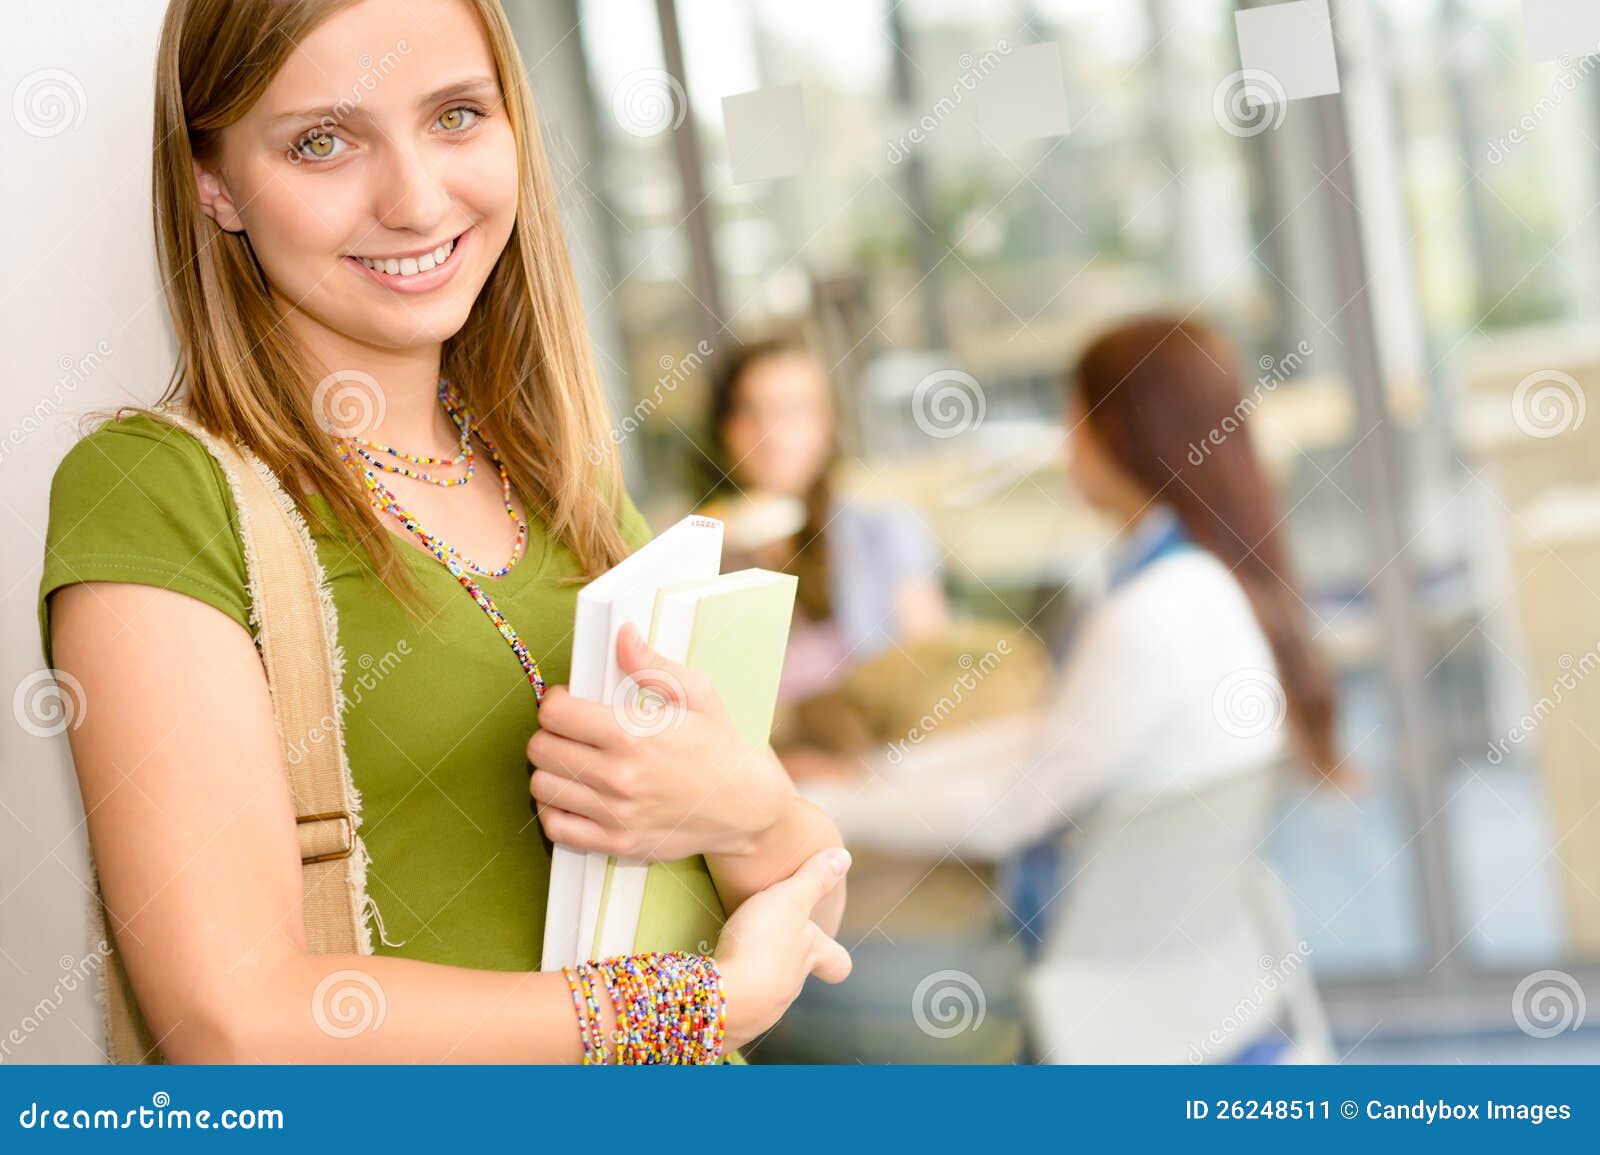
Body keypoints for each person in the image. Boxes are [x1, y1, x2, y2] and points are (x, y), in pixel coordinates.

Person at [37, 0, 850, 1064]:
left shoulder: (567, 484)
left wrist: (749, 814)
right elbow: (232, 1023)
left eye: (457, 116)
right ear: (214, 182)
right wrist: (684, 1007)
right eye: (321, 141)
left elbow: (809, 933)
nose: (416, 200)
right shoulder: (154, 489)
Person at [798, 315, 1349, 1056]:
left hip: (1082, 982)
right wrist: (872, 772)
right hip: (1196, 976)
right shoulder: (1204, 587)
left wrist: (824, 803)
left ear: (1123, 431)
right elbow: (1055, 743)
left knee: (788, 998)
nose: (1068, 443)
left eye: (1075, 417)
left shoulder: (1152, 614)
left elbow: (1018, 804)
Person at [701, 338, 949, 702]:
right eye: (751, 411)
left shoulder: (888, 532)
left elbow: (931, 672)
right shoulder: (707, 552)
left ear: (827, 424)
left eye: (792, 411)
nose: (772, 435)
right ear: (727, 429)